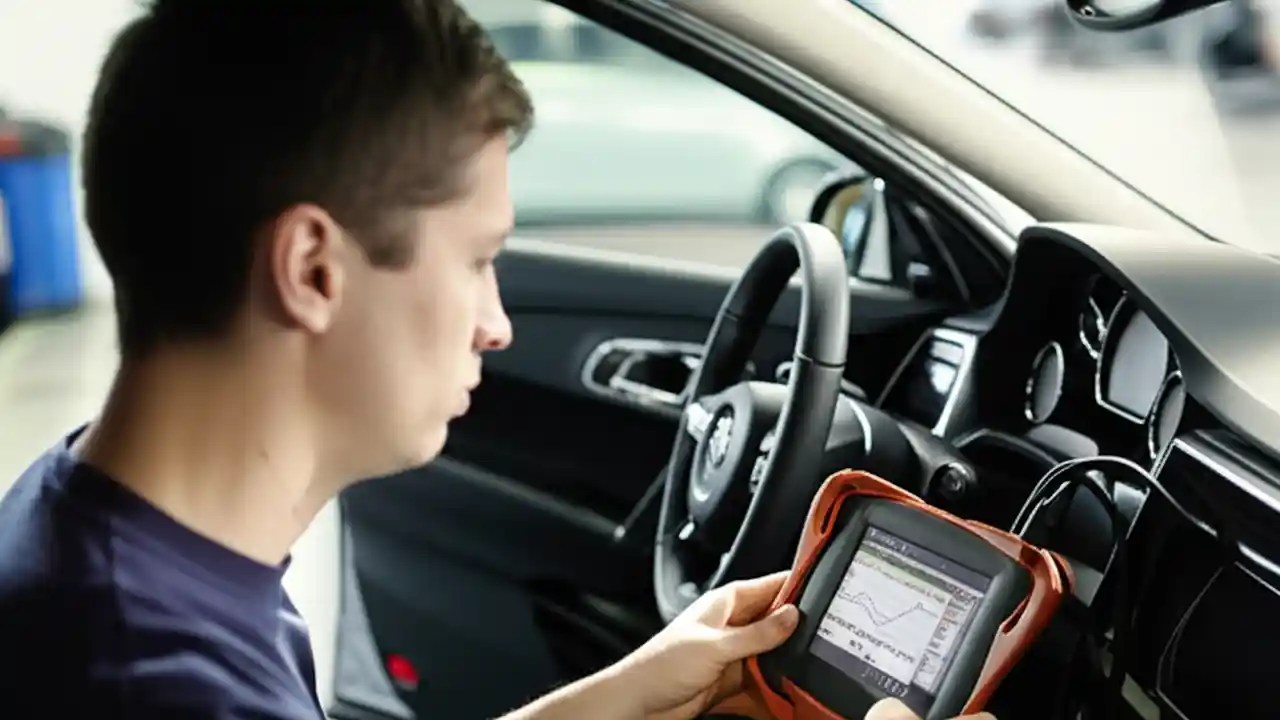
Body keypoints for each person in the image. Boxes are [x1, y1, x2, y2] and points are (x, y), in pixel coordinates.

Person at [0, 1, 995, 718]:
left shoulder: (102, 526)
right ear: (312, 270)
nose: (496, 325)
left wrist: (619, 700)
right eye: (477, 261)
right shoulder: (154, 681)